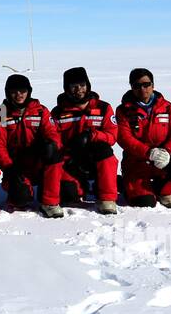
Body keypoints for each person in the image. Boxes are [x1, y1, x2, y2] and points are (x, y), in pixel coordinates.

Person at [45, 67, 121, 216]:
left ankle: (107, 199)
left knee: (105, 151)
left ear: (88, 85)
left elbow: (112, 136)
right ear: (67, 88)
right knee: (68, 196)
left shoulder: (104, 108)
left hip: (95, 157)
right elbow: (54, 136)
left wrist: (92, 136)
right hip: (71, 160)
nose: (78, 89)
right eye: (73, 86)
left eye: (82, 85)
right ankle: (84, 186)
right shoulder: (58, 111)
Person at [115, 68, 171, 211]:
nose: (142, 89)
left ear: (153, 85)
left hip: (162, 158)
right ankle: (125, 185)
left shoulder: (167, 107)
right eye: (137, 86)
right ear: (131, 87)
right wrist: (148, 152)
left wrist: (167, 151)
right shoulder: (123, 110)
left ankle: (163, 192)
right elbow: (124, 138)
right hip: (137, 161)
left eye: (146, 84)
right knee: (144, 202)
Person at [0, 74, 60, 215]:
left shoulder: (41, 111)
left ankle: (50, 203)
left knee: (55, 155)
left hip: (39, 161)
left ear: (29, 91)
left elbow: (53, 133)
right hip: (16, 166)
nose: (19, 95)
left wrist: (50, 145)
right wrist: (9, 168)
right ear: (8, 92)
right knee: (20, 198)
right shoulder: (1, 115)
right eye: (14, 91)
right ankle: (20, 192)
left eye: (22, 91)